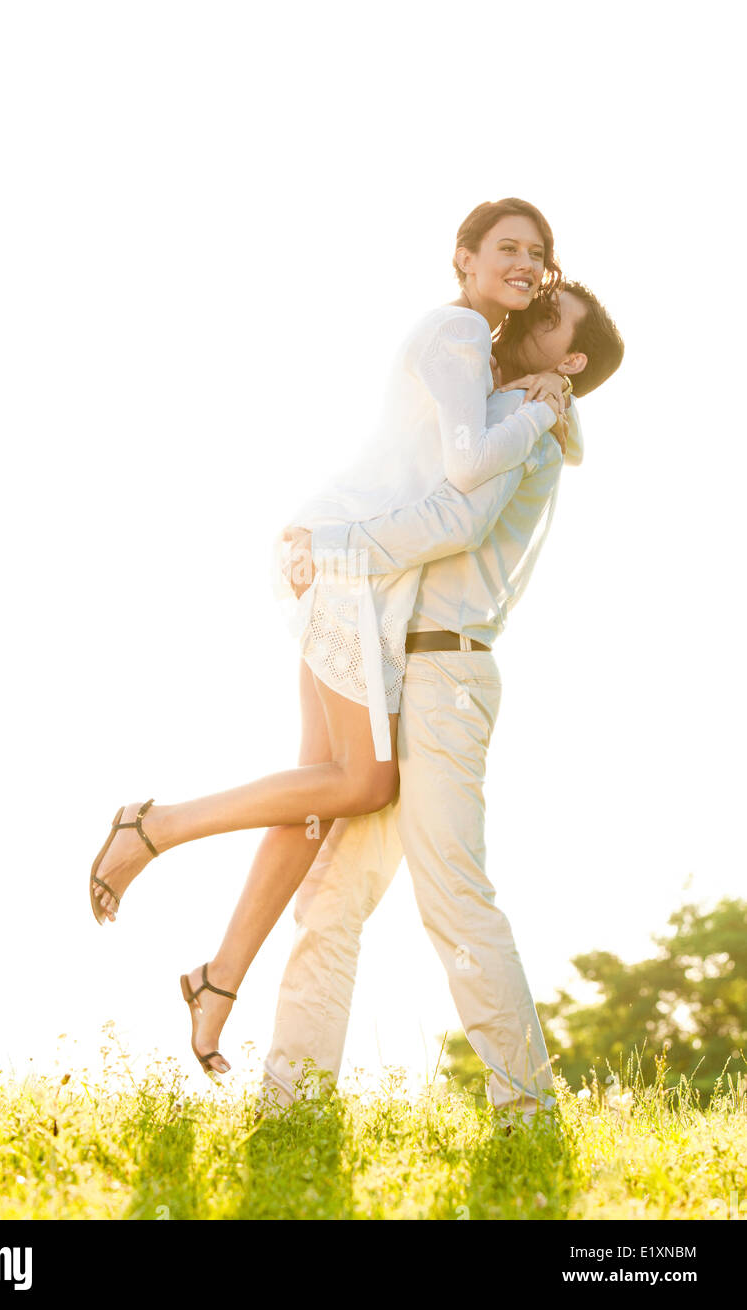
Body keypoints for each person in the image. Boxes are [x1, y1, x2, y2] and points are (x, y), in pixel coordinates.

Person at [87, 197, 575, 1077]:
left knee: (318, 798)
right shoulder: (462, 334)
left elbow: (455, 472)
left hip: (355, 565)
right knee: (363, 780)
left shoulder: (484, 360)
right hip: (344, 561)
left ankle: (218, 982)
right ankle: (155, 826)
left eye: (538, 254)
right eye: (509, 248)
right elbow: (465, 474)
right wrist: (543, 405)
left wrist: (540, 397)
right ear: (463, 257)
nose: (528, 267)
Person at [258, 280, 624, 1123]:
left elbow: (450, 523)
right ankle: (290, 1105)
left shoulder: (522, 432)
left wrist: (333, 547)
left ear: (567, 361)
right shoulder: (517, 409)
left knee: (454, 896)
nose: (520, 316)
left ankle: (526, 1110)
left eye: (544, 321)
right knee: (331, 898)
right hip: (407, 673)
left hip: (445, 678)